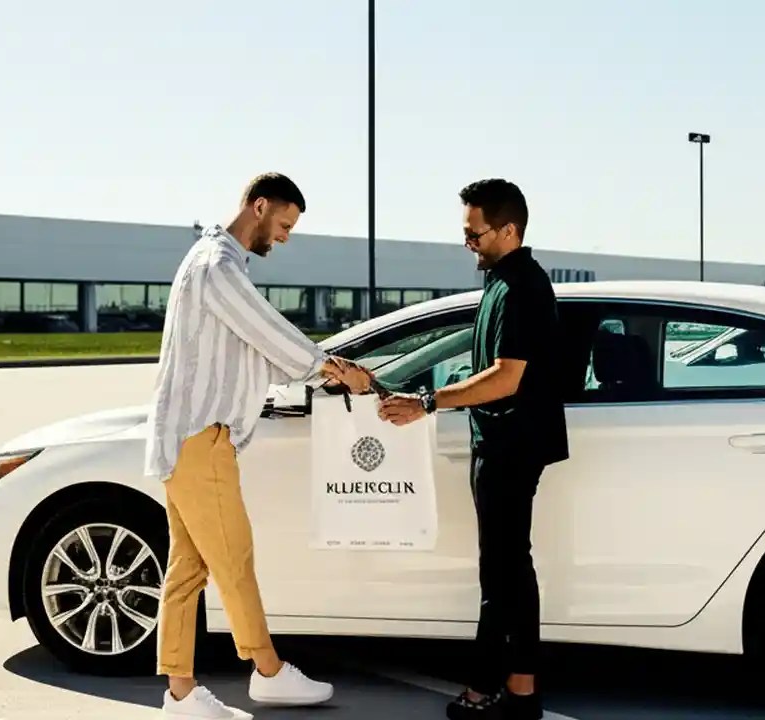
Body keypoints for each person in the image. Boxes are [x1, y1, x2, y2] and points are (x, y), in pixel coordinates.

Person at [145, 172, 373, 719]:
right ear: (260, 205)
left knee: (188, 568)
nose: (287, 236)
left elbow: (256, 350)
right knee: (234, 560)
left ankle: (180, 695)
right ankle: (268, 672)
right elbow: (268, 331)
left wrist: (320, 373)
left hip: (189, 436)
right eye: (285, 224)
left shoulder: (215, 262)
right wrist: (334, 370)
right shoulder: (216, 266)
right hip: (201, 437)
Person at [378, 178, 568, 720]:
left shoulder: (521, 287)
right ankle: (521, 691)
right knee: (510, 570)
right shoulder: (506, 283)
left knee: (502, 575)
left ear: (509, 230)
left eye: (474, 234)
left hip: (511, 445)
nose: (469, 244)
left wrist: (426, 401)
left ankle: (485, 692)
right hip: (505, 442)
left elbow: (506, 379)